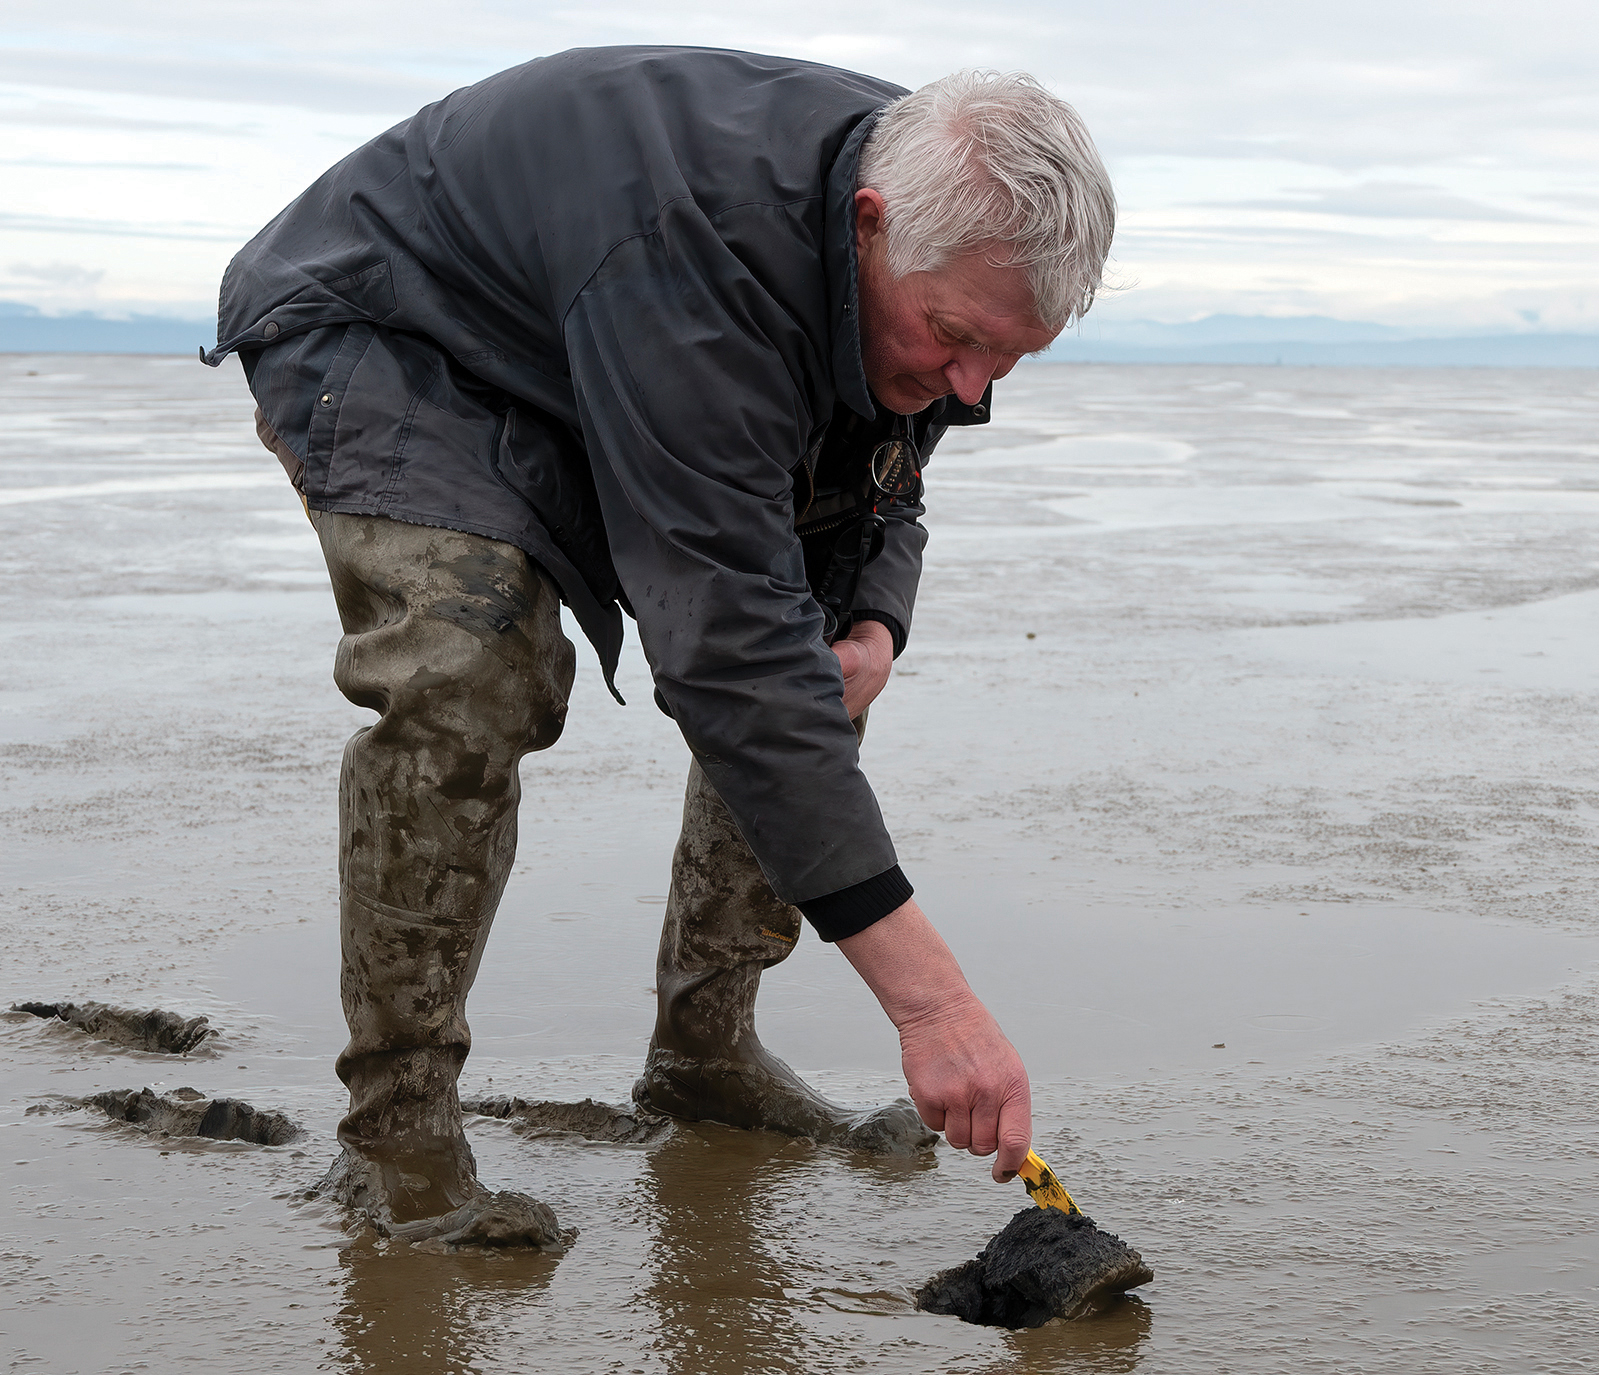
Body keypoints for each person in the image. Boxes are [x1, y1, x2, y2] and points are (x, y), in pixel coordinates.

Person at [203, 46, 1116, 1249]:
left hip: (603, 326)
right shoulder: (704, 254)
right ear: (869, 226)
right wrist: (930, 1001)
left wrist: (876, 619)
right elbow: (724, 647)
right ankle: (397, 1131)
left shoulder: (935, 266)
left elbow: (878, 478)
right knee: (472, 667)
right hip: (399, 327)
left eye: (1008, 358)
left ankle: (706, 1054)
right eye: (952, 338)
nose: (969, 385)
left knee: (822, 663)